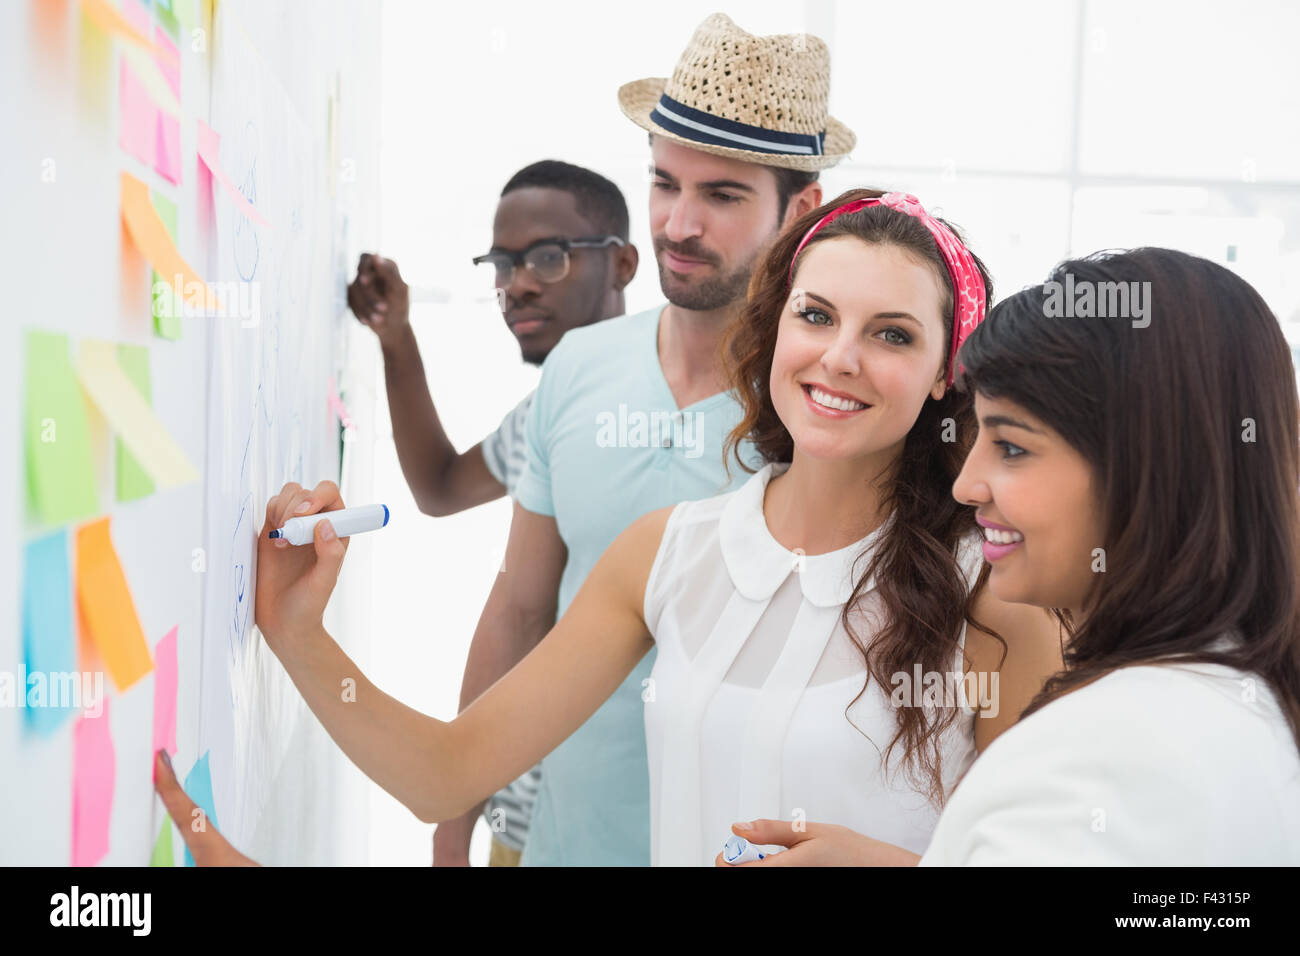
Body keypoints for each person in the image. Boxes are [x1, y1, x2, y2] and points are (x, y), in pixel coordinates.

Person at [154, 188, 1064, 866]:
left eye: (894, 335)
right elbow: (448, 771)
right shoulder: (669, 553)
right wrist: (295, 633)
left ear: (950, 374)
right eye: (816, 315)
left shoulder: (994, 595)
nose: (839, 356)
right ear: (777, 324)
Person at [725, 248, 1300, 865]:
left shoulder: (1102, 757)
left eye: (1013, 448)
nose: (968, 487)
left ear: (1148, 468)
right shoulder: (1227, 708)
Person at [435, 12, 850, 865]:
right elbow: (520, 607)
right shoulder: (580, 368)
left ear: (800, 209)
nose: (678, 224)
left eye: (723, 195)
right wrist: (452, 821)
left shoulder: (827, 406)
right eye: (666, 183)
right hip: (559, 844)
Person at [345, 160, 638, 866]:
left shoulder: (666, 405)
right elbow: (441, 487)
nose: (518, 284)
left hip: (620, 824)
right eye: (502, 264)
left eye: (548, 256)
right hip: (520, 819)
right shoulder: (549, 410)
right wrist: (396, 336)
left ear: (623, 264)